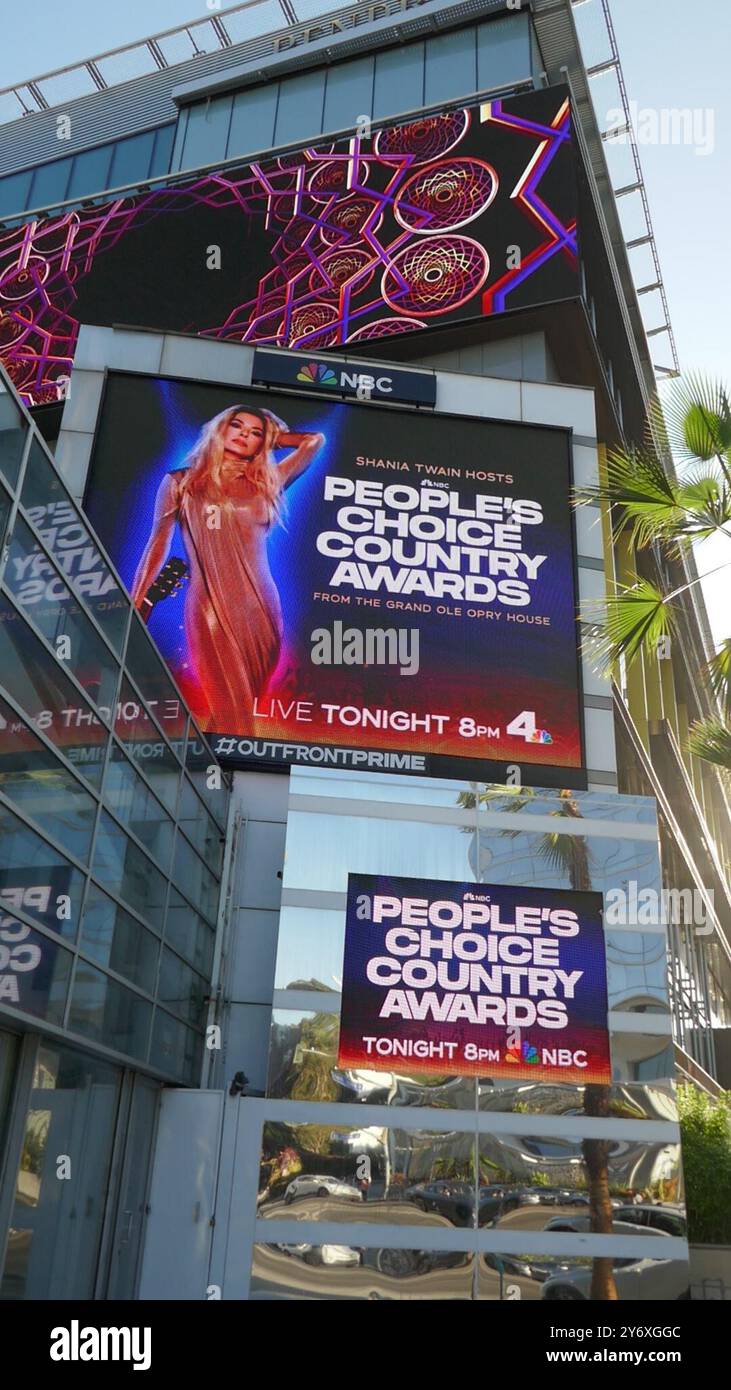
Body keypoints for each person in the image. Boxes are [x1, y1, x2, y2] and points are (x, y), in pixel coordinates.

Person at [131, 404, 325, 729]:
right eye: (237, 426)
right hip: (210, 610)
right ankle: (221, 777)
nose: (244, 435)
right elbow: (156, 546)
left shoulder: (268, 482)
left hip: (262, 611)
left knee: (236, 714)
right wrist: (136, 607)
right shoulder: (182, 482)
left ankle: (206, 776)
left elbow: (313, 441)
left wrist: (274, 437)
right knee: (236, 717)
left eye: (255, 433)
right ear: (220, 429)